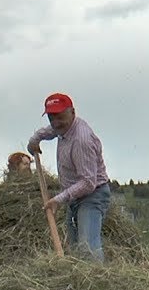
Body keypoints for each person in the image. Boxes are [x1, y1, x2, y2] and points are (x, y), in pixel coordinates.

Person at [27, 93, 110, 263]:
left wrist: (58, 199)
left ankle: (96, 278)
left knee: (87, 249)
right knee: (75, 249)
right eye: (51, 117)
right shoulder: (63, 127)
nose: (56, 122)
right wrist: (34, 141)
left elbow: (88, 182)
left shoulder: (81, 140)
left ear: (72, 112)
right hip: (74, 196)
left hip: (92, 195)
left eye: (60, 116)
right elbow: (49, 131)